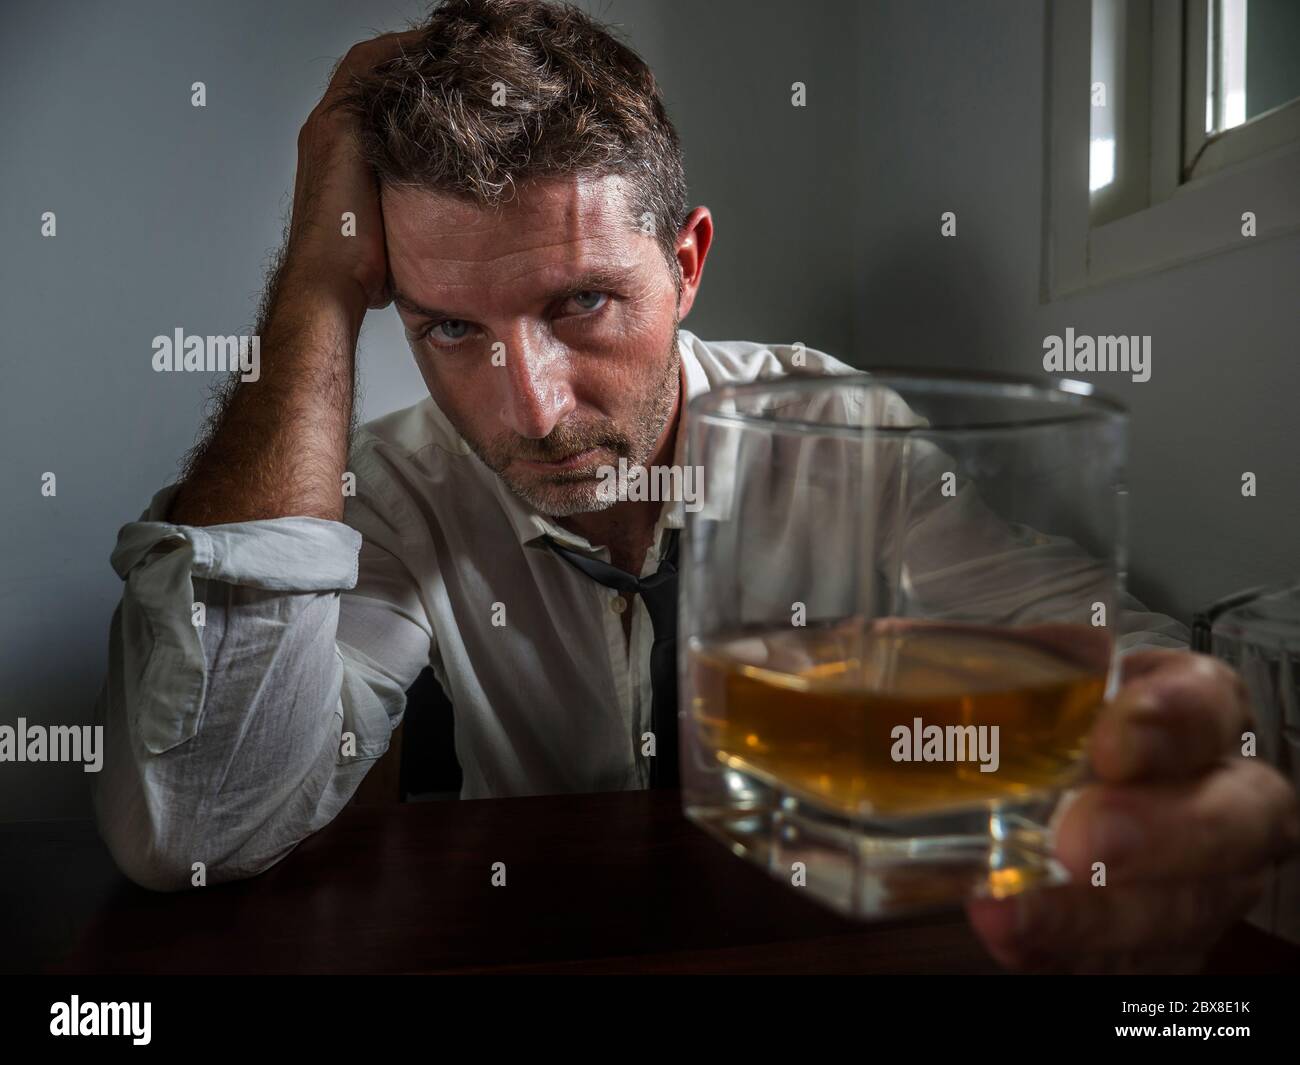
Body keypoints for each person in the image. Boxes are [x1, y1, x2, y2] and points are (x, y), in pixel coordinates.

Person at [91, 0, 1297, 973]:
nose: (531, 407)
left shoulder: (836, 432)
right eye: (447, 327)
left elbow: (1085, 647)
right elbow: (199, 825)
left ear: (686, 263)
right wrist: (314, 286)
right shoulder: (394, 490)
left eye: (581, 303)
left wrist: (1170, 762)